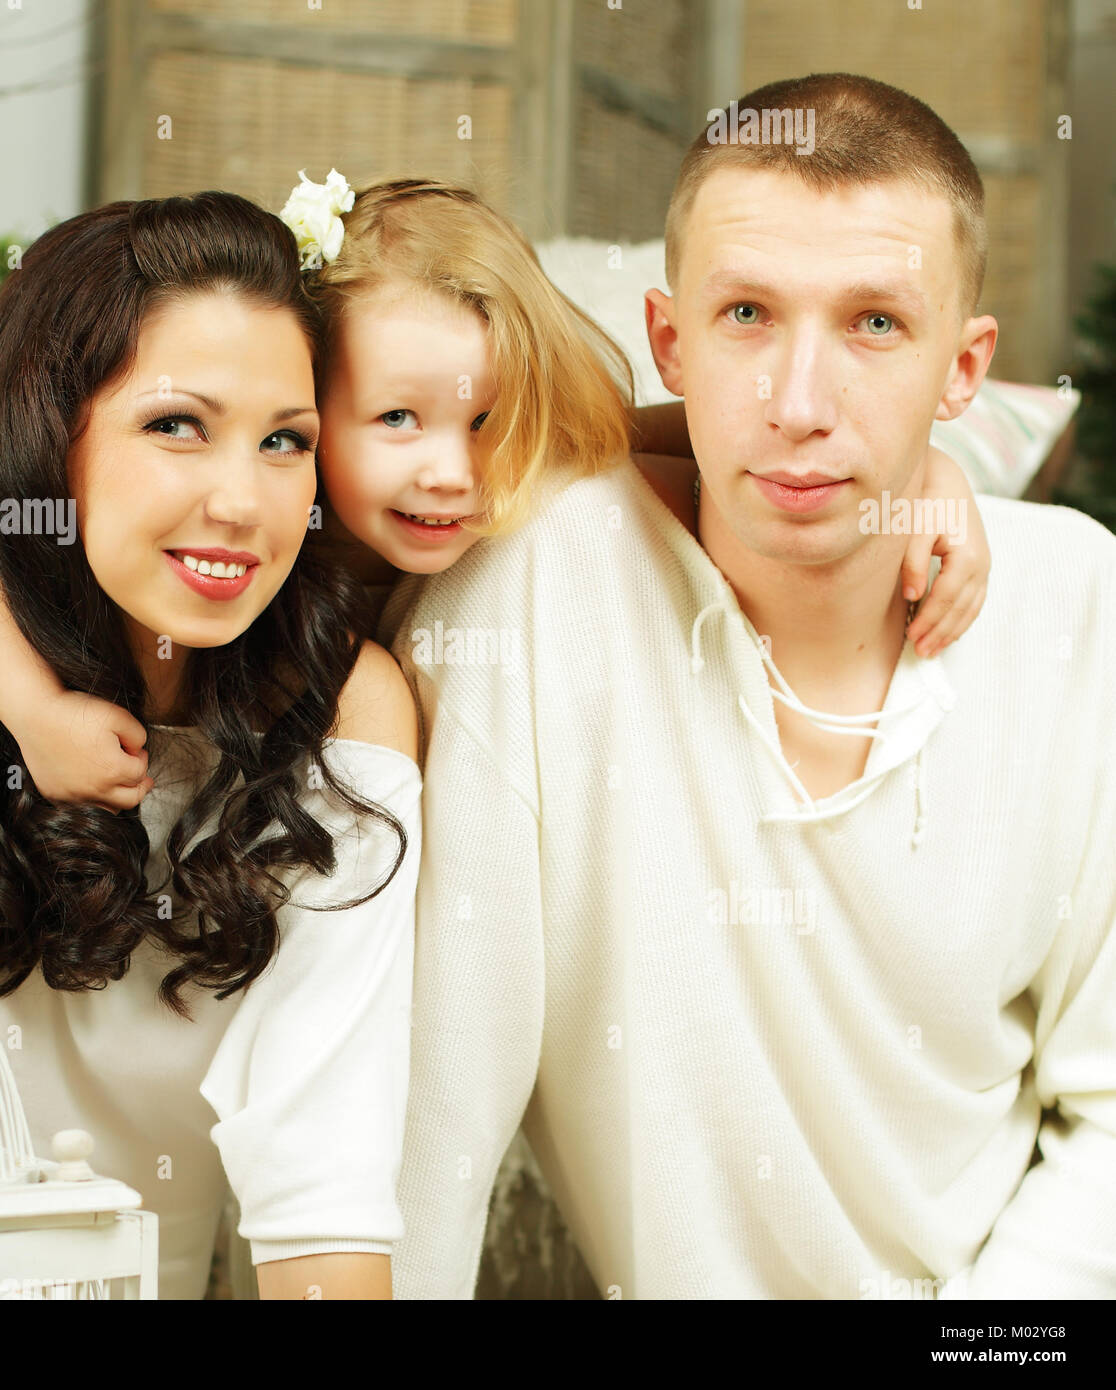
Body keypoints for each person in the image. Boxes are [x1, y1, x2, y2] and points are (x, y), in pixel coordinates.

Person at [377, 72, 1116, 1298]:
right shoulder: (535, 596)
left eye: (876, 323)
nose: (800, 404)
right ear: (670, 343)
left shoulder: (1076, 607)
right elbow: (428, 1146)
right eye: (747, 317)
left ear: (963, 367)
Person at [0, 175, 987, 814]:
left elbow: (727, 445)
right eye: (396, 421)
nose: (451, 472)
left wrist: (927, 481)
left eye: (485, 421)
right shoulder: (254, 513)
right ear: (308, 398)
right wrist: (35, 711)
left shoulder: (531, 477)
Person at [0, 191, 421, 1300]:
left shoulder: (343, 720)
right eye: (174, 424)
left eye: (284, 439)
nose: (242, 501)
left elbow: (321, 1183)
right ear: (52, 432)